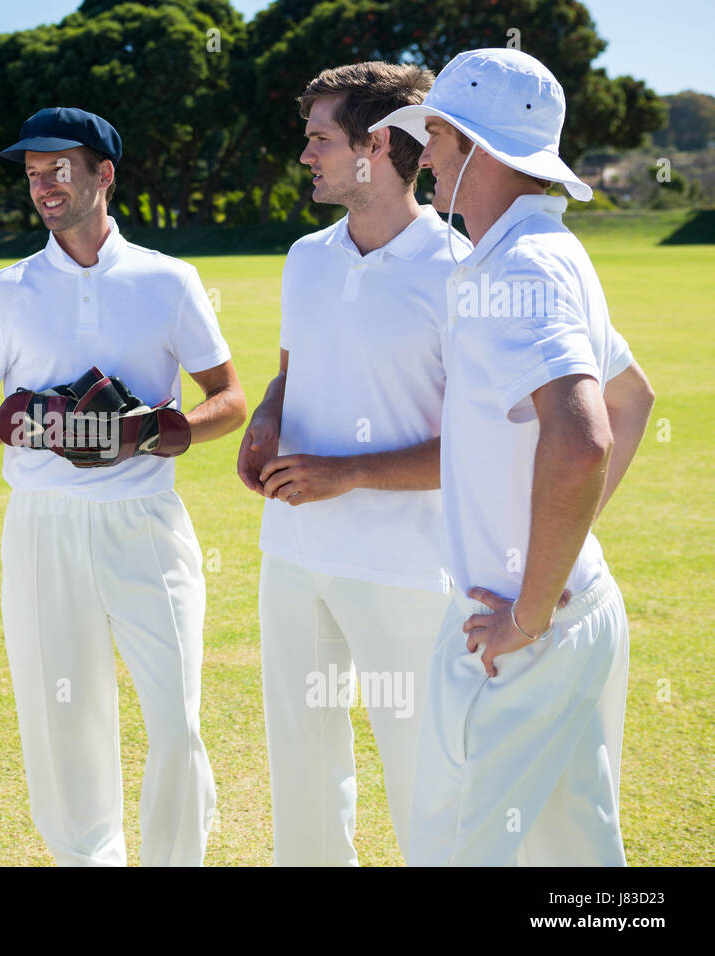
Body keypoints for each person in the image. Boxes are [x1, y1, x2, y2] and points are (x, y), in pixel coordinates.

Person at [369, 47, 656, 865]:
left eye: (434, 135)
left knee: (456, 849)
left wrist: (529, 609)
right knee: (577, 859)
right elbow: (633, 397)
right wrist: (554, 557)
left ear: (480, 149)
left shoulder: (521, 267)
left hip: (519, 634)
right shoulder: (547, 249)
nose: (421, 155)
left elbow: (586, 435)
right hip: (567, 608)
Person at [0, 107, 246, 866]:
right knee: (62, 715)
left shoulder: (168, 279)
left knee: (175, 715)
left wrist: (155, 430)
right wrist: (24, 421)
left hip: (145, 519)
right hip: (43, 523)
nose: (43, 185)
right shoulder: (4, 290)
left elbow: (231, 400)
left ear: (104, 174)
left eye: (59, 168)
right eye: (32, 172)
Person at [237, 62, 466, 866]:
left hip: (405, 569)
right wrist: (266, 418)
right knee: (301, 768)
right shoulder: (306, 257)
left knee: (423, 774)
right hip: (293, 557)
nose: (306, 155)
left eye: (320, 139)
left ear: (376, 146)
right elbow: (291, 373)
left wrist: (348, 473)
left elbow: (475, 448)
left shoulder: (458, 271)